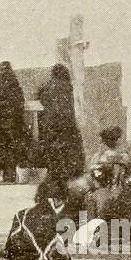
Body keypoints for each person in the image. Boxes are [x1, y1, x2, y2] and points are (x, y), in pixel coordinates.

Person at [36, 63, 85, 198]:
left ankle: (53, 191)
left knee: (54, 161)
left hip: (52, 128)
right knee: (68, 159)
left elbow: (41, 96)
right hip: (68, 128)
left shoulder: (49, 87)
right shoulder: (69, 87)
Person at [0, 61, 28, 184]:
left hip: (1, 125)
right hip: (13, 125)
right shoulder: (16, 87)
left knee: (4, 150)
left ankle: (8, 177)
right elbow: (19, 104)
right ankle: (10, 176)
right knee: (11, 150)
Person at [85, 125, 131, 221]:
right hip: (115, 189)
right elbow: (129, 173)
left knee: (100, 213)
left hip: (105, 189)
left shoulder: (100, 155)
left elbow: (91, 172)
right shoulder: (123, 156)